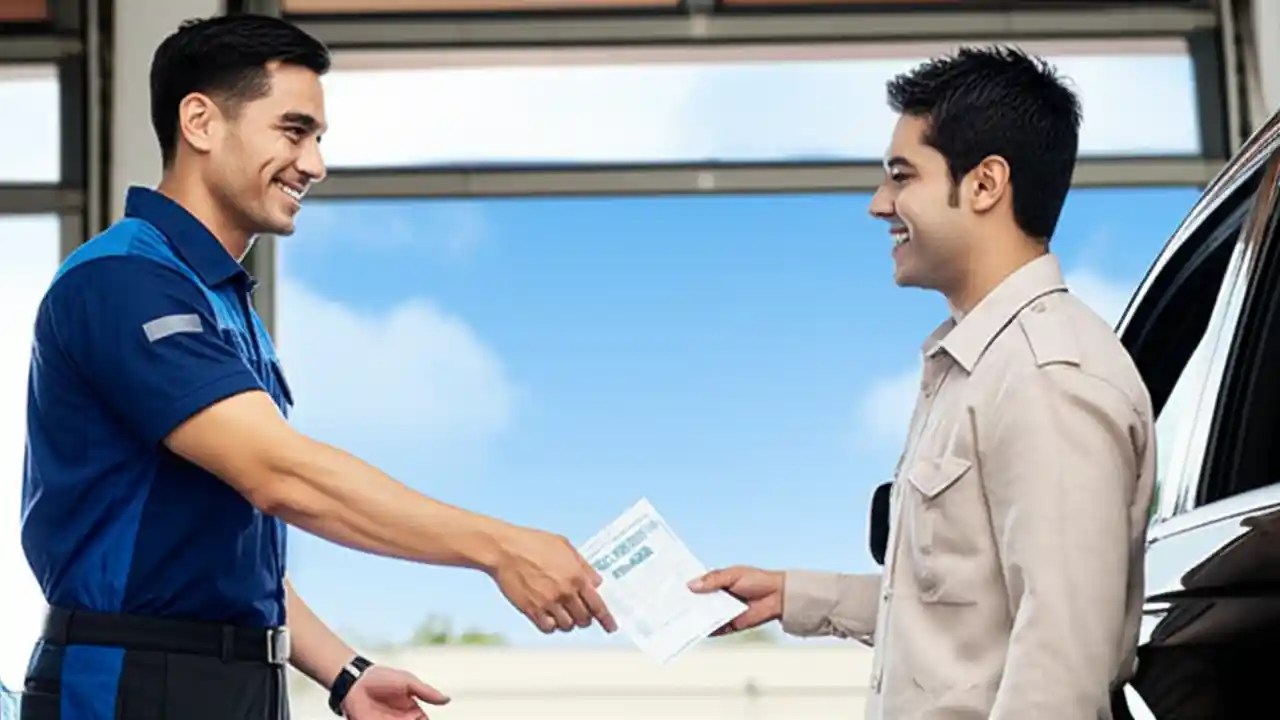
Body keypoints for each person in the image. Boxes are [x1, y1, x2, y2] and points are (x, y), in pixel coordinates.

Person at [17, 14, 614, 720]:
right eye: (293, 131)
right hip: (132, 684)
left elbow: (227, 550)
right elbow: (280, 476)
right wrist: (499, 547)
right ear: (201, 123)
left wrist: (345, 674)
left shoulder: (220, 302)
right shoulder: (123, 283)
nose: (315, 164)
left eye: (318, 139)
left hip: (231, 678)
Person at [691, 45, 1156, 719]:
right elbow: (964, 618)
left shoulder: (1048, 378)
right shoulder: (981, 366)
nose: (880, 205)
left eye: (901, 176)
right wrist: (796, 596)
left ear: (985, 185)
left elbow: (1059, 669)